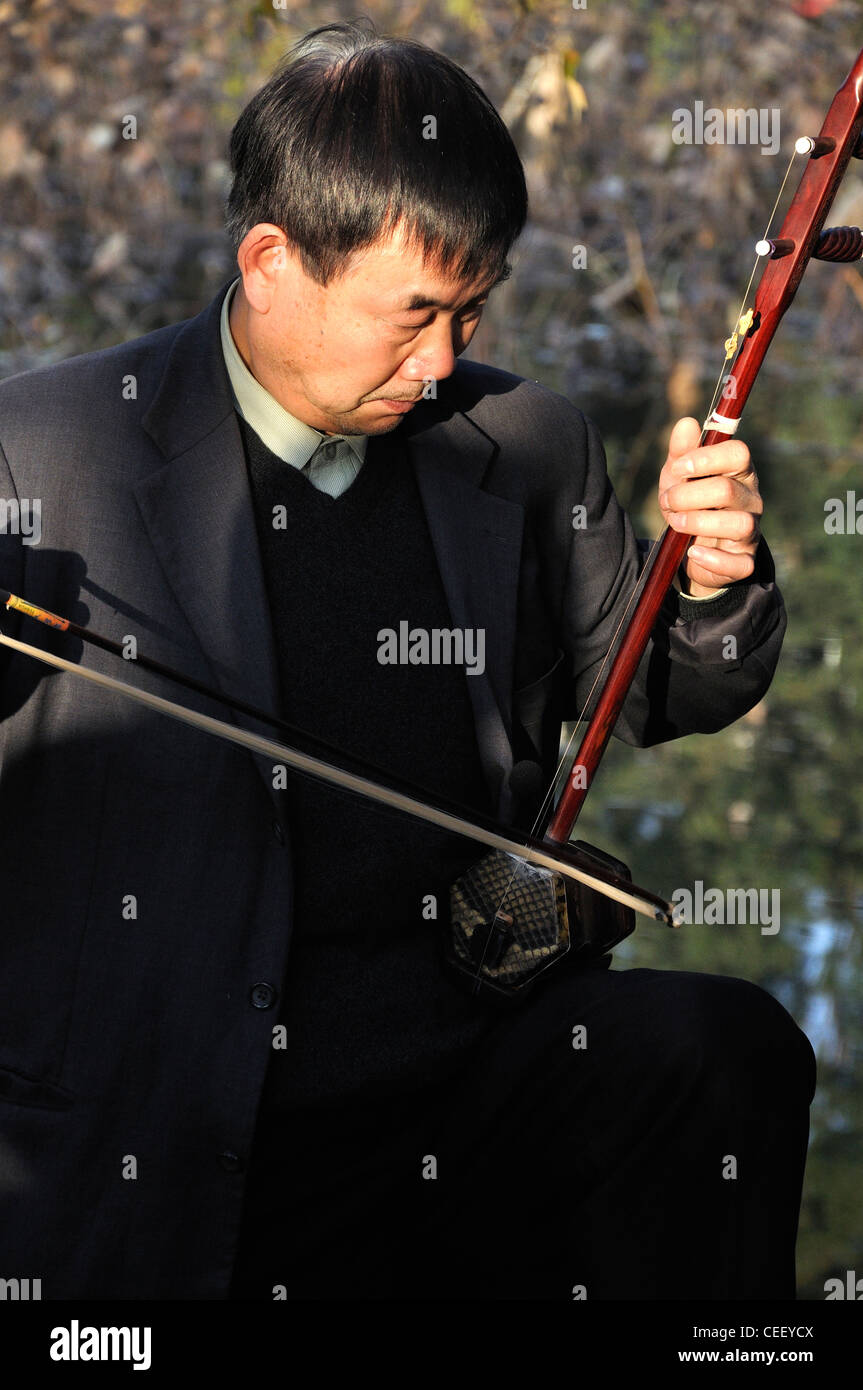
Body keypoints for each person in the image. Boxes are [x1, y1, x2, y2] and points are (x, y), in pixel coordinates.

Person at [0, 20, 814, 1301]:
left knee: (717, 1046)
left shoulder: (521, 441)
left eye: (471, 308)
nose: (440, 361)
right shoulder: (37, 456)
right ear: (269, 261)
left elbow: (653, 689)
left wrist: (711, 579)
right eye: (414, 312)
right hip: (164, 1115)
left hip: (457, 1083)